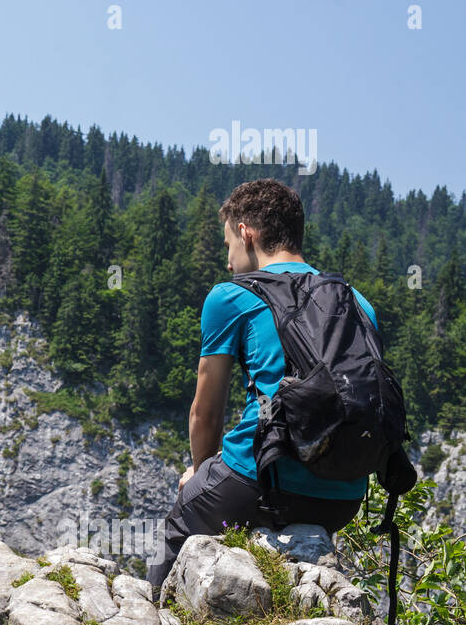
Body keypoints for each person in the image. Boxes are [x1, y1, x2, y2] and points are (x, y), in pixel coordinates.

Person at [147, 179, 374, 590]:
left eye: (228, 244)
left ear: (246, 232)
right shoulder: (357, 302)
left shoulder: (230, 297)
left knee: (181, 522)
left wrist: (199, 476)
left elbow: (206, 413)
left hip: (258, 485)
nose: (229, 261)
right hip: (345, 495)